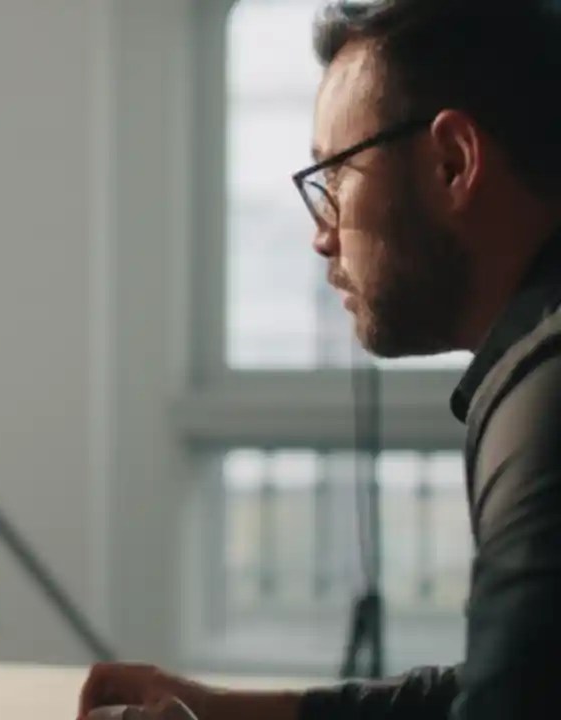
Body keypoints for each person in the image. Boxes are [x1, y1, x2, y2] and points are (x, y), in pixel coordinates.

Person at [79, 1, 561, 718]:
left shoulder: (544, 405)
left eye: (335, 177)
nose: (322, 236)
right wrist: (226, 712)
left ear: (453, 162)